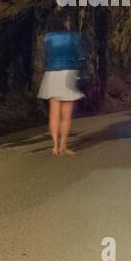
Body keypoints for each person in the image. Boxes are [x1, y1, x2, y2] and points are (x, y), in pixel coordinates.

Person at [37, 12, 84, 155]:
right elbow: (81, 55)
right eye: (68, 20)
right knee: (66, 114)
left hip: (51, 74)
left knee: (54, 113)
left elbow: (45, 55)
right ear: (64, 22)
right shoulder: (73, 37)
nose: (69, 23)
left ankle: (55, 146)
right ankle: (63, 146)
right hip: (68, 73)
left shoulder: (48, 38)